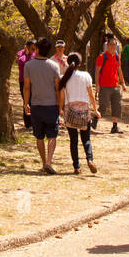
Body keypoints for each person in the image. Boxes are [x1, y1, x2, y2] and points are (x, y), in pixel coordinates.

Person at [22, 37, 63, 174]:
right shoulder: (54, 66)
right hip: (51, 105)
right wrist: (59, 106)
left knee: (39, 136)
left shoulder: (29, 65)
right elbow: (58, 87)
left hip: (36, 105)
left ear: (37, 49)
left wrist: (26, 103)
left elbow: (26, 87)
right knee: (52, 135)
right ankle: (49, 162)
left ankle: (44, 162)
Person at [59, 52, 100, 175]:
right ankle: (90, 159)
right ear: (80, 64)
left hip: (70, 110)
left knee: (73, 140)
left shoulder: (64, 77)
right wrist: (95, 109)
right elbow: (91, 94)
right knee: (86, 138)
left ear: (67, 63)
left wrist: (59, 109)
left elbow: (62, 95)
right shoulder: (86, 75)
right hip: (84, 110)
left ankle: (76, 166)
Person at [93, 36, 125, 134]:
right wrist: (97, 85)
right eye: (111, 44)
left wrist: (123, 83)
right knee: (103, 105)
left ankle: (114, 127)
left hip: (116, 85)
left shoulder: (117, 57)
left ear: (116, 46)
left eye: (114, 45)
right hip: (104, 86)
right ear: (107, 46)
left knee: (117, 105)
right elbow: (97, 71)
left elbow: (119, 70)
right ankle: (94, 120)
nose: (113, 46)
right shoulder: (102, 57)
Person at [16, 39, 37, 129]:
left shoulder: (35, 54)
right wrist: (27, 54)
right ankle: (28, 123)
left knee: (34, 101)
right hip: (23, 81)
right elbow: (23, 62)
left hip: (34, 81)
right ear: (27, 47)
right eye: (32, 48)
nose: (34, 50)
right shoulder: (21, 54)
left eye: (35, 48)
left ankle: (34, 122)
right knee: (26, 101)